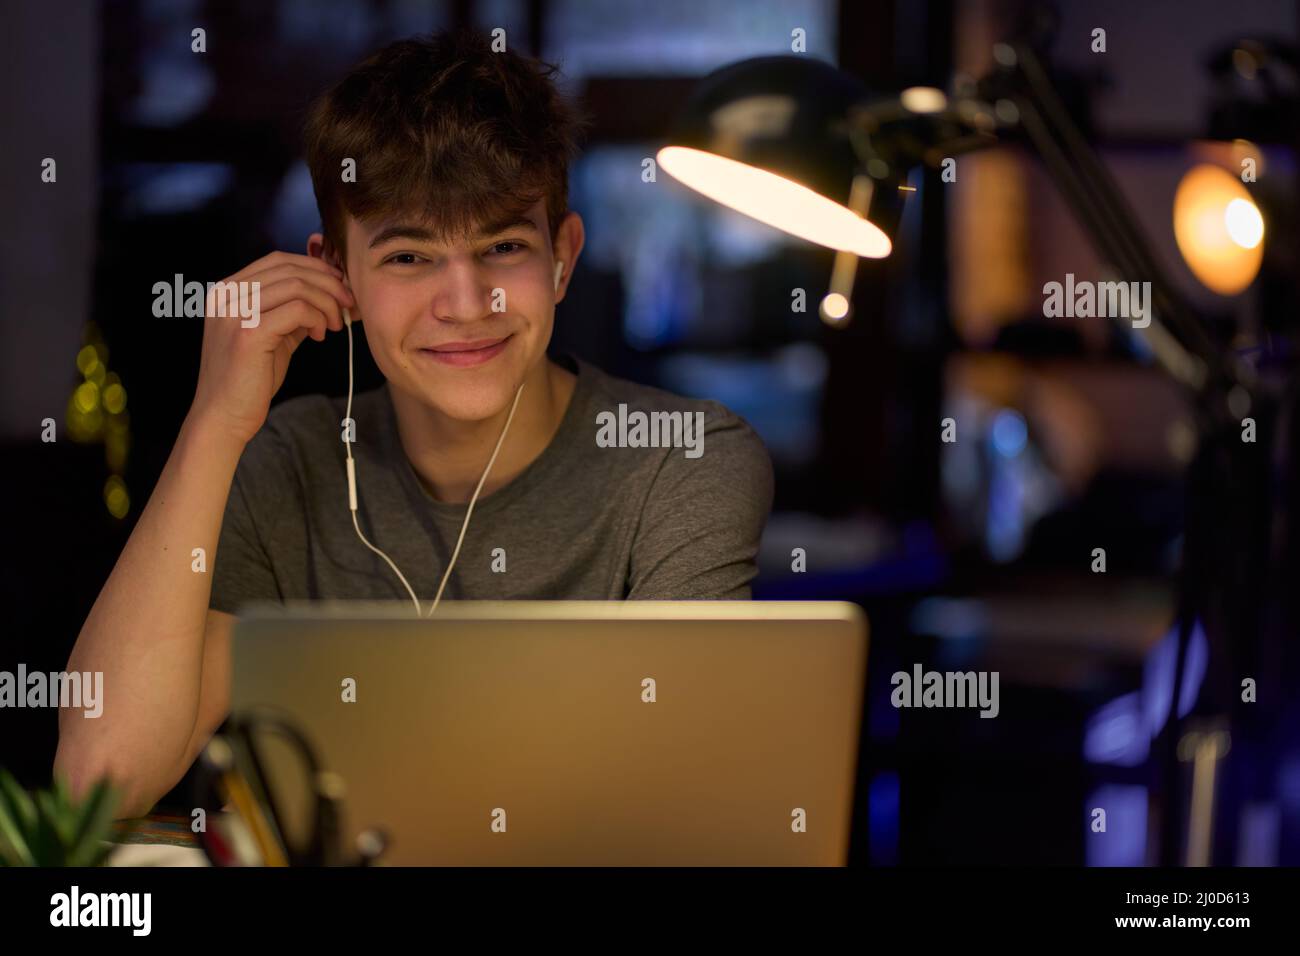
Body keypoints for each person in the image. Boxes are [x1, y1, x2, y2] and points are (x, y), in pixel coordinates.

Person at [55, 29, 773, 819]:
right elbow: (100, 784)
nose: (467, 306)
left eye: (503, 246)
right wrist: (213, 426)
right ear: (335, 273)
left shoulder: (682, 461)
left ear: (563, 258)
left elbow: (675, 804)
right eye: (408, 257)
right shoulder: (282, 466)